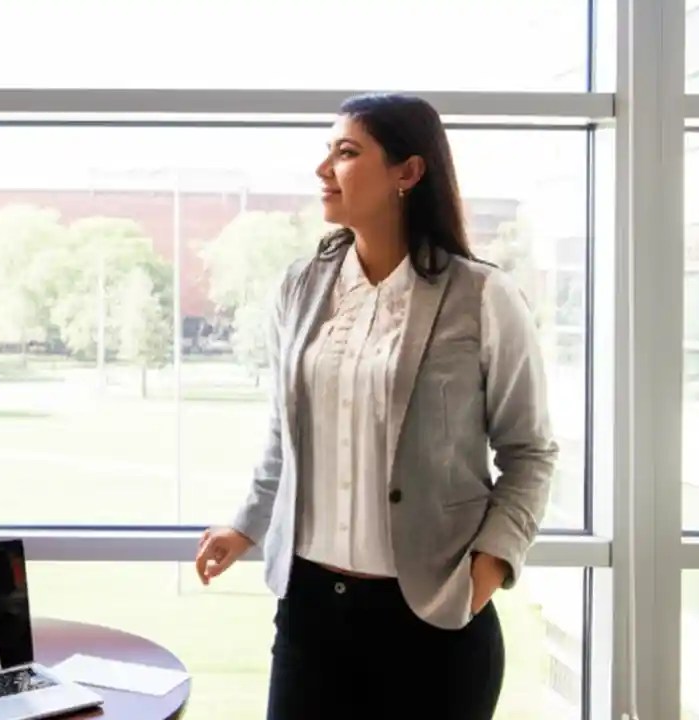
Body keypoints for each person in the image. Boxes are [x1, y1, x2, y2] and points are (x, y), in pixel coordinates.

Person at [193, 92, 557, 719]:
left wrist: (486, 571)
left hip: (433, 623)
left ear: (408, 173)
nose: (323, 169)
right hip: (310, 612)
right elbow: (287, 435)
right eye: (328, 151)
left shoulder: (483, 297)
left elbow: (529, 453)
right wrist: (248, 524)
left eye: (347, 151)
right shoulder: (300, 289)